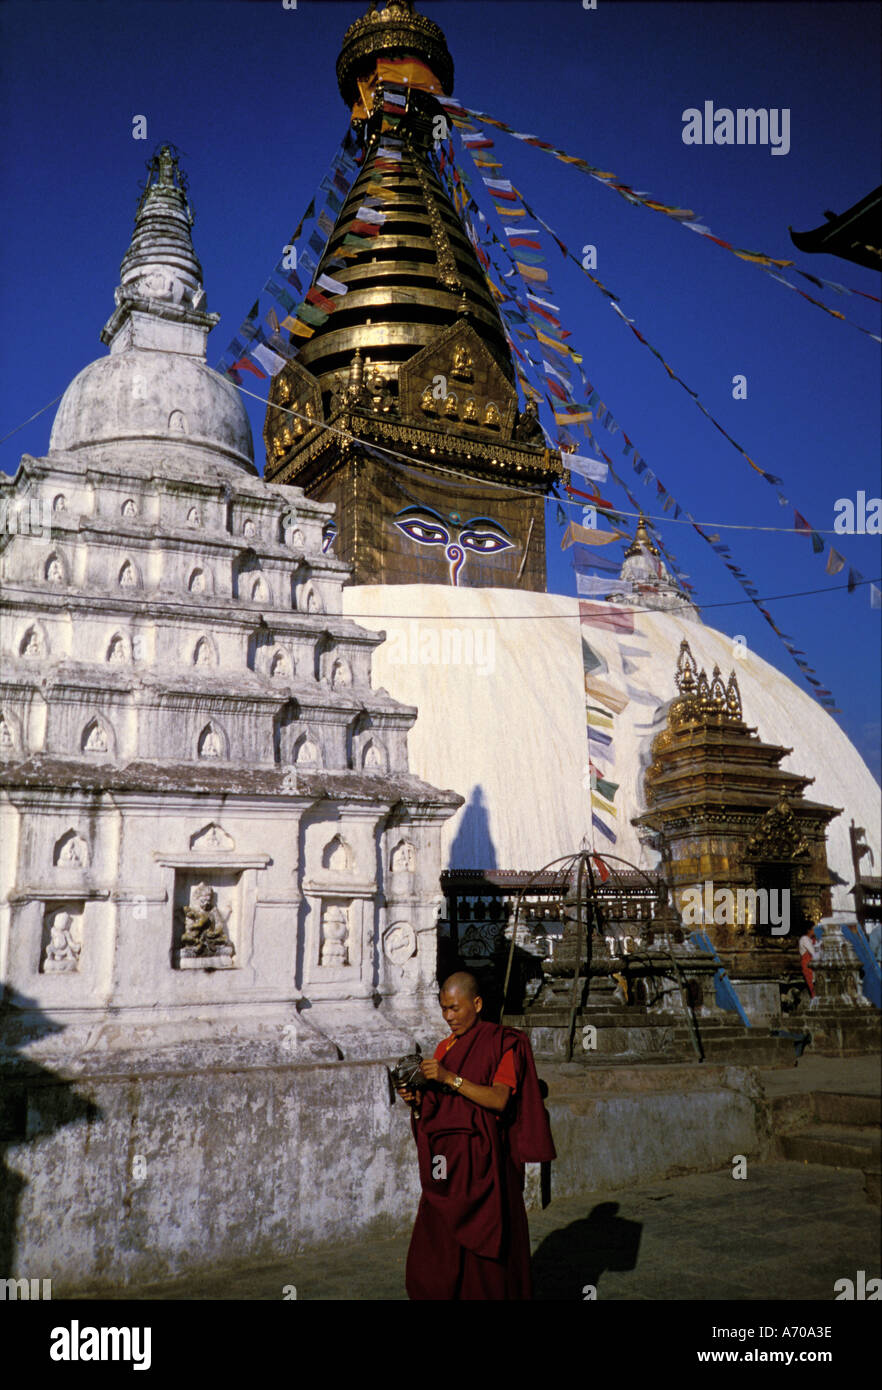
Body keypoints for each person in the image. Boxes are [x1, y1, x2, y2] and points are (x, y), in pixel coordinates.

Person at [396, 971, 555, 1300]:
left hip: (488, 1164)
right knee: (436, 1251)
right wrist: (416, 1103)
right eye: (443, 1008)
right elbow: (438, 1110)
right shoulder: (445, 1047)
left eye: (455, 1008)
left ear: (477, 1004)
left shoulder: (502, 1043)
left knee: (488, 1257)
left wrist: (449, 1078)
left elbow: (498, 1099)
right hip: (449, 1167)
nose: (448, 1016)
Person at [799, 925, 819, 997]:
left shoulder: (812, 940)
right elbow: (813, 952)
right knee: (813, 988)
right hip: (808, 965)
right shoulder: (804, 939)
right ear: (809, 930)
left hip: (814, 965)